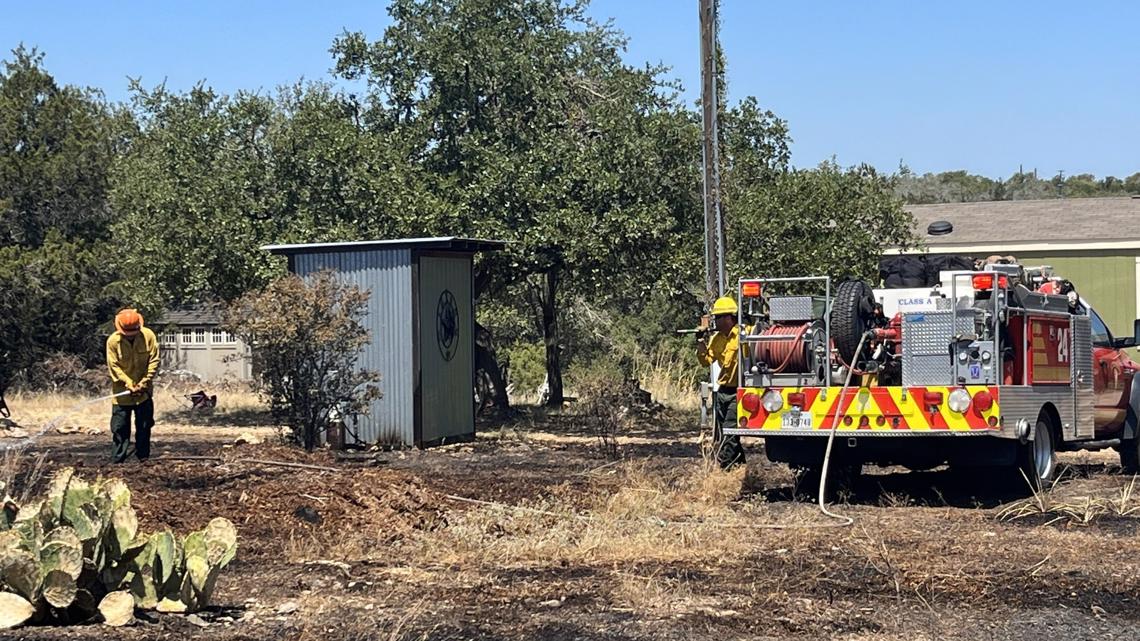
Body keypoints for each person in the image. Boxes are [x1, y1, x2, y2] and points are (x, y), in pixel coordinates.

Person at [696, 295, 747, 469]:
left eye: (718, 317)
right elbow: (706, 361)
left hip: (738, 391)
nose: (715, 321)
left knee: (730, 431)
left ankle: (724, 467)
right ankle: (739, 465)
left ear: (729, 318)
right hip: (723, 390)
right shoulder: (716, 339)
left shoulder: (744, 335)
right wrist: (700, 341)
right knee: (724, 431)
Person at [106, 308, 160, 463]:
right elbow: (113, 366)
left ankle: (143, 460)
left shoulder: (148, 336)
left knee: (144, 426)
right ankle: (117, 462)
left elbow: (154, 360)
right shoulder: (112, 342)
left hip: (144, 393)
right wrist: (128, 383)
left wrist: (144, 382)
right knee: (120, 428)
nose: (130, 335)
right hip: (122, 395)